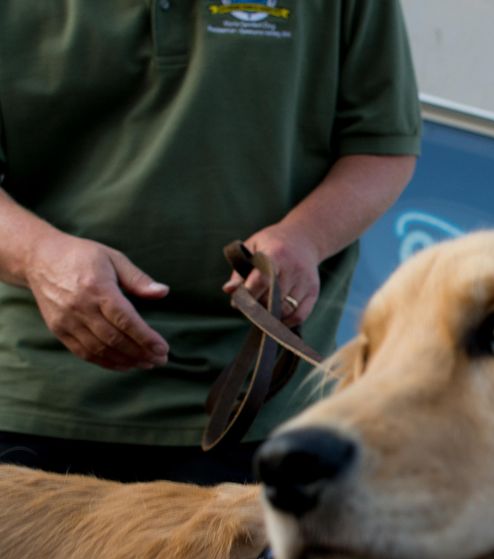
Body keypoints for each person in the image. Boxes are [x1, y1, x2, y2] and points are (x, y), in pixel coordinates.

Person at [0, 0, 421, 484]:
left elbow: (382, 144)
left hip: (260, 412)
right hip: (31, 400)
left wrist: (305, 237)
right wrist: (38, 256)